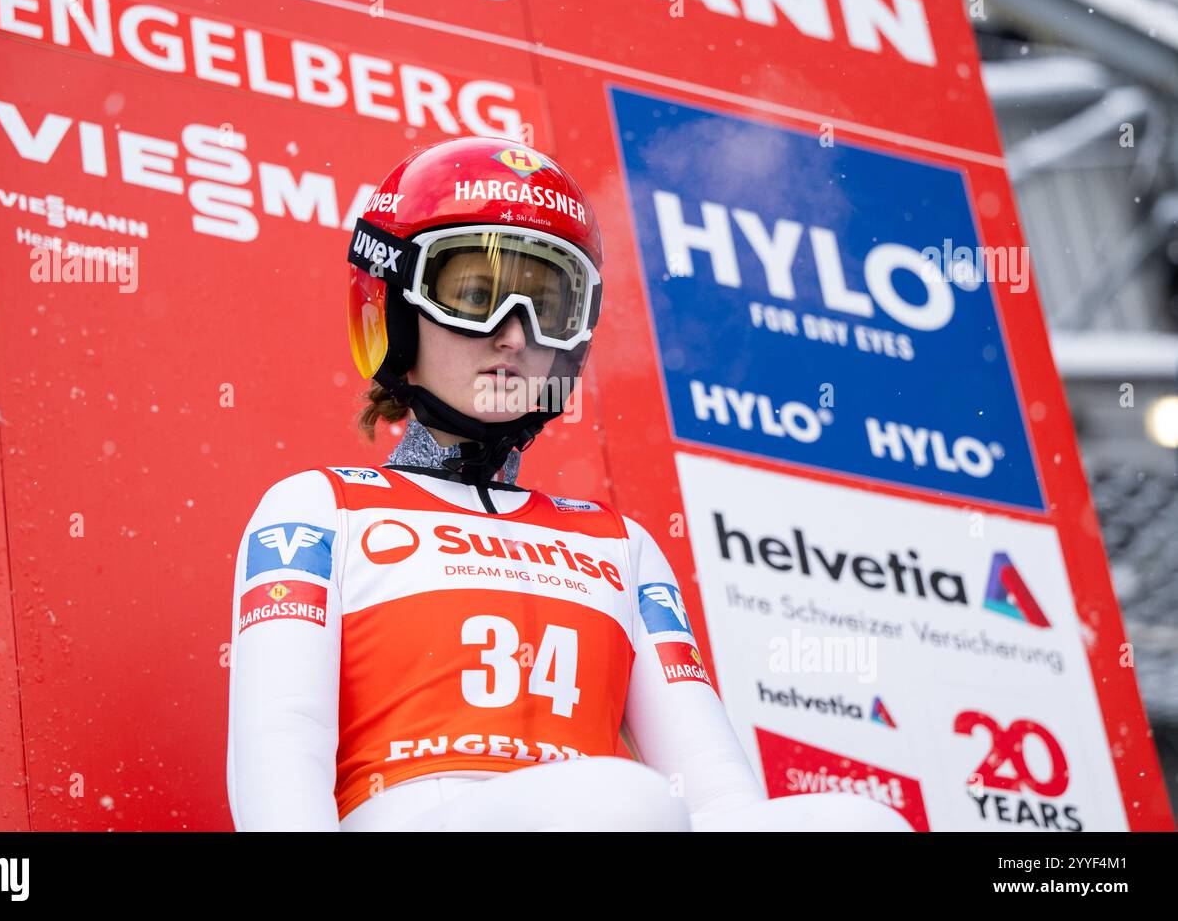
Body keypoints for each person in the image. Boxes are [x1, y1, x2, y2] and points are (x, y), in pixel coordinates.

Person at [226, 136, 911, 831]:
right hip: (416, 813)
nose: (514, 336)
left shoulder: (621, 545)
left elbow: (716, 795)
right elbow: (280, 746)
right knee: (619, 801)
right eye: (474, 295)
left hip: (605, 815)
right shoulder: (319, 506)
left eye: (546, 308)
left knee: (864, 825)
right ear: (396, 305)